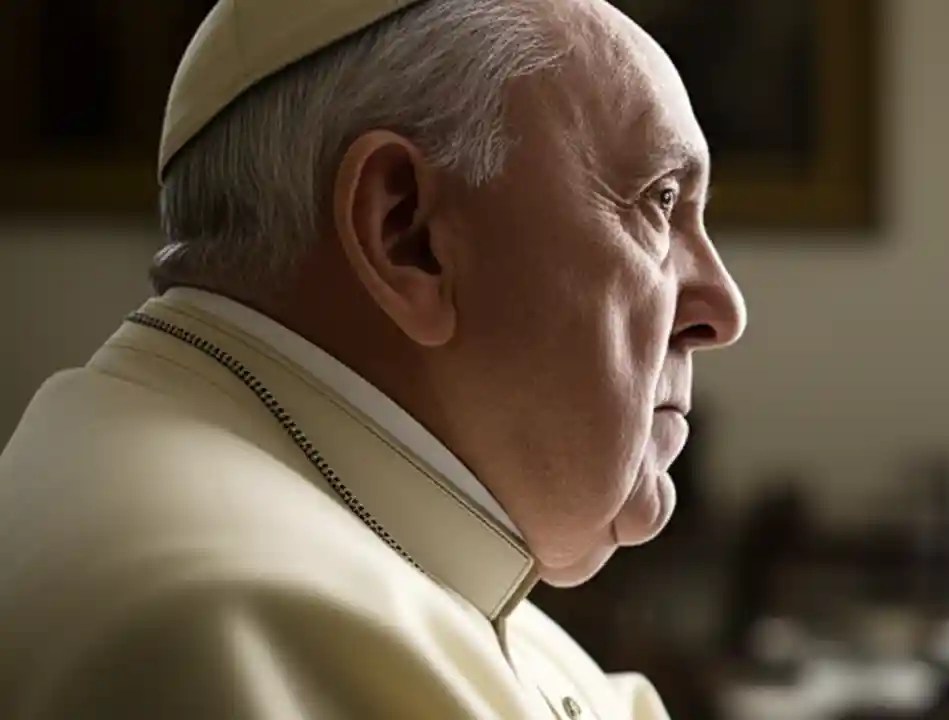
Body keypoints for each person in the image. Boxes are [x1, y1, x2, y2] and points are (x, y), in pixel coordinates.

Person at [0, 0, 746, 716]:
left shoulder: (337, 527)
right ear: (407, 234)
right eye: (660, 201)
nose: (723, 310)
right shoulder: (249, 622)